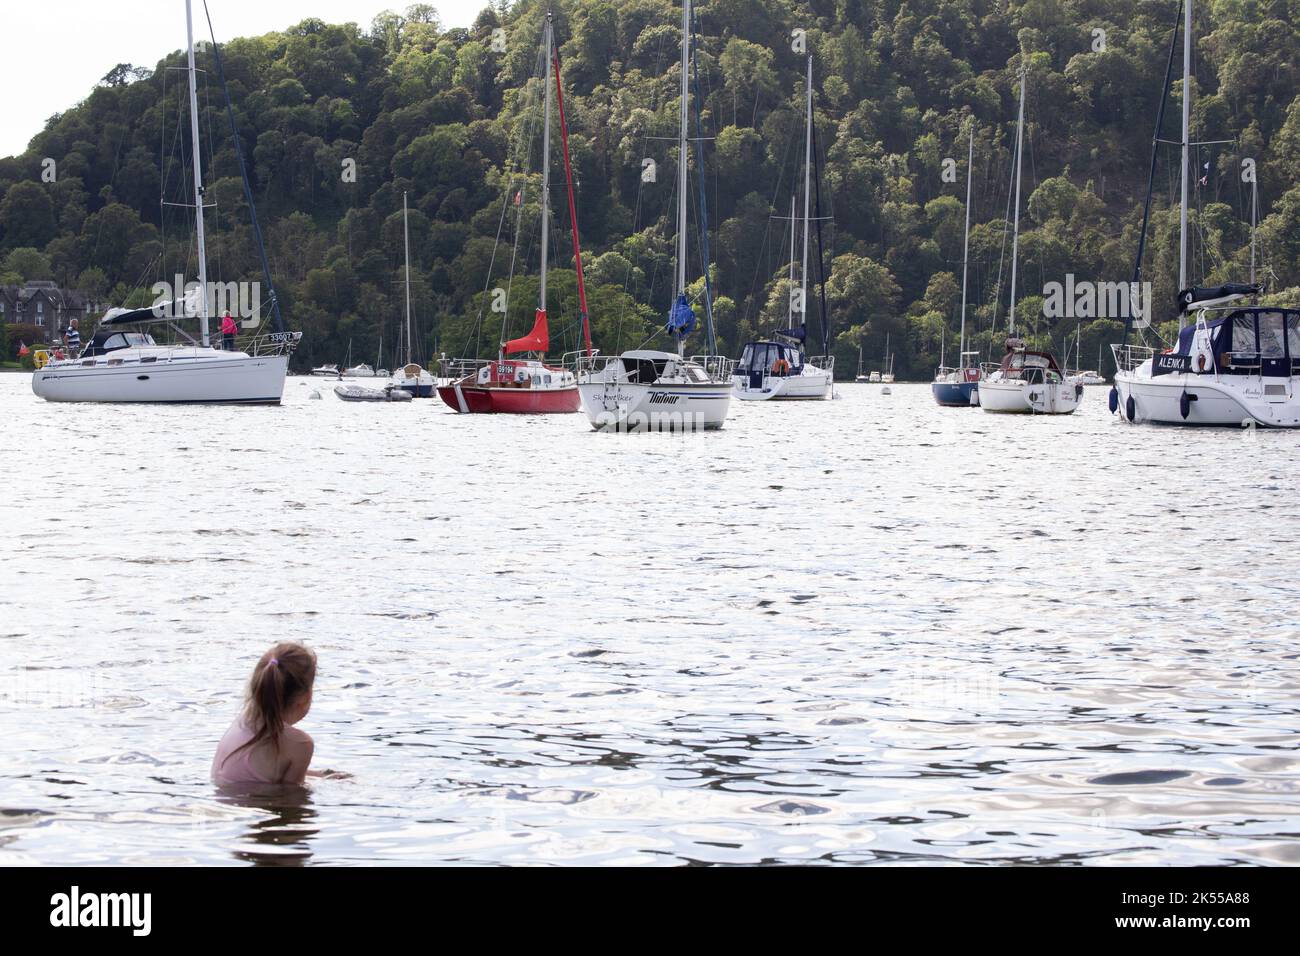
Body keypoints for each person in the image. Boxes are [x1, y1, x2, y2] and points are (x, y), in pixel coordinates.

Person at [212, 642, 330, 787]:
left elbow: (264, 773)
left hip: (223, 800)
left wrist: (321, 776)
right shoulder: (300, 744)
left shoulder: (243, 719)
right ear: (304, 698)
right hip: (254, 806)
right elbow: (291, 799)